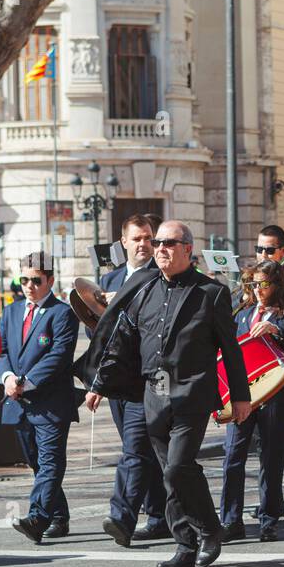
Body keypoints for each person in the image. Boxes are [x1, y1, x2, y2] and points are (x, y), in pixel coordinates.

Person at [85, 220, 251, 567]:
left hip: (192, 392)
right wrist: (99, 383)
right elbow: (122, 341)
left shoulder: (211, 293)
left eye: (169, 243)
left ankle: (209, 529)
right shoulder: (143, 288)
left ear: (188, 250)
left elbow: (231, 349)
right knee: (169, 474)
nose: (160, 248)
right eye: (157, 242)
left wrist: (240, 396)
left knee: (178, 468)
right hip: (153, 393)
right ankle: (184, 544)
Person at [0, 252, 80, 543]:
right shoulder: (11, 311)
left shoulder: (62, 313)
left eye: (36, 280)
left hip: (50, 403)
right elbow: (1, 350)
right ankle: (59, 516)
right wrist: (7, 377)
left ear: (50, 280)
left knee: (50, 462)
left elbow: (59, 355)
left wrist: (27, 382)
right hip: (17, 402)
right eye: (24, 280)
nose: (29, 286)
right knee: (36, 462)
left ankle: (38, 517)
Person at [219, 260, 284, 543]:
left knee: (270, 457)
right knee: (233, 455)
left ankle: (268, 518)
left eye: (263, 284)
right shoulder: (243, 315)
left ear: (276, 285)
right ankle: (230, 520)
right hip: (243, 395)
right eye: (253, 284)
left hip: (274, 397)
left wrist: (275, 331)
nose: (257, 290)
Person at [99, 214, 168, 546]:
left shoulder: (161, 279)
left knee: (134, 450)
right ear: (123, 242)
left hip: (147, 382)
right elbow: (94, 330)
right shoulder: (109, 279)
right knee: (148, 453)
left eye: (149, 238)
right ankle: (161, 516)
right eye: (137, 238)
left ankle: (121, 517)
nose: (144, 244)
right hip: (116, 383)